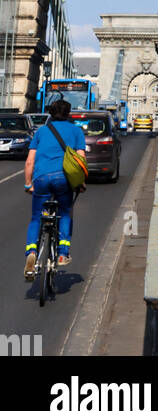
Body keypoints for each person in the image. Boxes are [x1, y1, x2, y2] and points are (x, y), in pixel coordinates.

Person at [23, 98, 86, 279]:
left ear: (51, 113)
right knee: (65, 213)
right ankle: (62, 253)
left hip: (41, 178)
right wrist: (81, 183)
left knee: (36, 217)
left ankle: (31, 253)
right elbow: (81, 159)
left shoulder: (41, 131)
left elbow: (29, 161)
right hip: (63, 179)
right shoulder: (76, 131)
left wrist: (28, 184)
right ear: (68, 114)